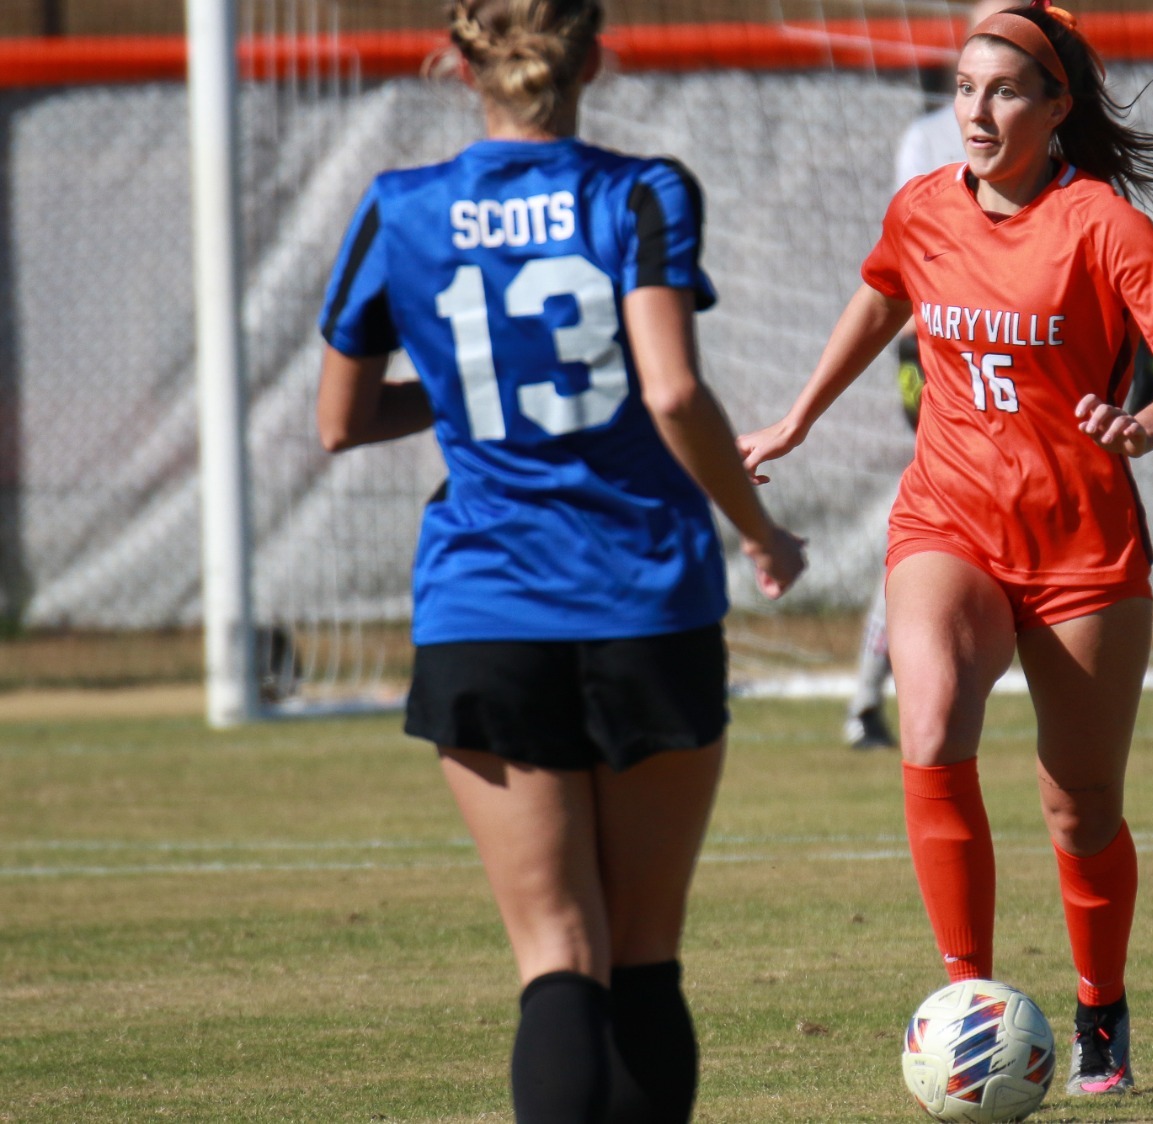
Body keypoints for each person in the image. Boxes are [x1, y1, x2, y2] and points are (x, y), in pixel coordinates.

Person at [739, 1, 1153, 1097]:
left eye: (1004, 91)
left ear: (1056, 108)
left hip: (1080, 546)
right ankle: (966, 1007)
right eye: (965, 88)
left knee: (1080, 804)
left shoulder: (1099, 221)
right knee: (929, 730)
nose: (976, 111)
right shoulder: (923, 205)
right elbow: (882, 294)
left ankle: (1100, 1010)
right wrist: (796, 417)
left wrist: (1146, 425)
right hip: (949, 520)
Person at [315, 2, 805, 1121]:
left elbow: (340, 421)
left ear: (457, 62)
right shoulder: (642, 191)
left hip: (485, 603)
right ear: (594, 57)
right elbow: (670, 390)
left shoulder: (398, 206)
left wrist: (463, 391)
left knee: (557, 955)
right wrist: (759, 530)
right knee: (643, 953)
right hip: (645, 594)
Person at [845, 0, 1017, 751]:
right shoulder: (930, 140)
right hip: (938, 351)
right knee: (935, 510)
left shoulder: (1058, 132)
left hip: (1024, 352)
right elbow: (923, 255)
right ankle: (874, 690)